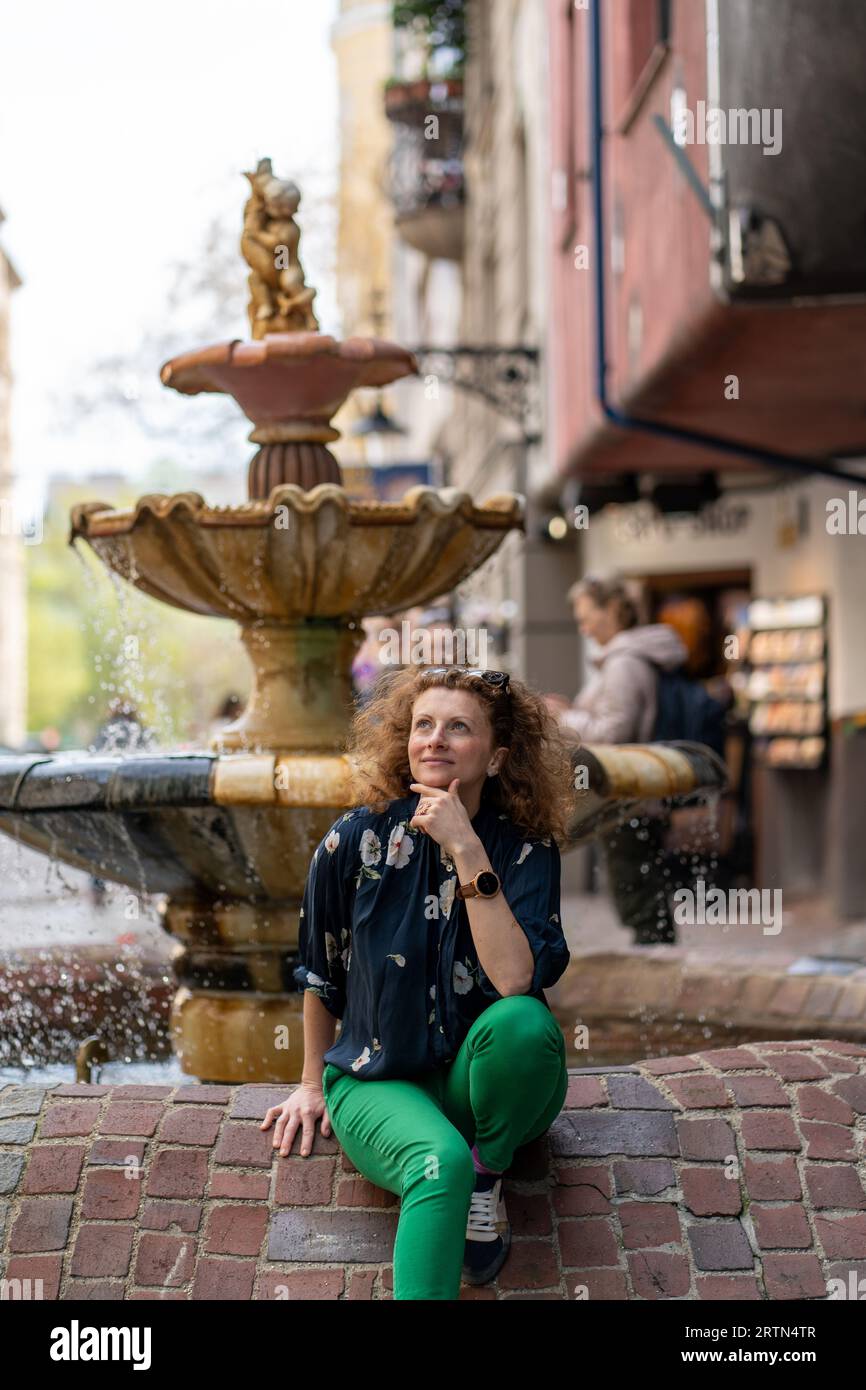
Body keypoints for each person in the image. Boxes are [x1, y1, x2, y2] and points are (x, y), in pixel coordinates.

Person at [261, 665, 574, 1299]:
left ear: (496, 756)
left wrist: (466, 850)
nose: (435, 739)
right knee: (438, 1163)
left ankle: (489, 1170)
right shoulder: (354, 840)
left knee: (525, 1024)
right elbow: (320, 973)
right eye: (423, 725)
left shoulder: (526, 850)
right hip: (380, 1078)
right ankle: (463, 1171)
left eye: (459, 728)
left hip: (479, 1083)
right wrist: (308, 1083)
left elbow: (516, 979)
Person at [545, 575, 688, 945]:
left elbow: (613, 733)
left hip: (629, 793)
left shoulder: (625, 662)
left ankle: (655, 979)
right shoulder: (629, 658)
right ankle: (656, 973)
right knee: (641, 889)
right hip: (637, 790)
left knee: (639, 893)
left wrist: (560, 718)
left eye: (586, 614)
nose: (582, 626)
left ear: (611, 609)